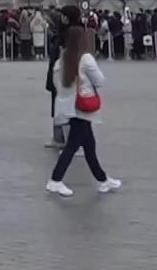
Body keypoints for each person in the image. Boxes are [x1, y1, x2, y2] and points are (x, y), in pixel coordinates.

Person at [47, 25, 120, 197]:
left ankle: (103, 180)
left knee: (89, 146)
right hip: (83, 106)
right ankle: (55, 180)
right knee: (72, 146)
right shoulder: (85, 58)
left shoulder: (62, 59)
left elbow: (56, 83)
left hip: (71, 106)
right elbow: (100, 81)